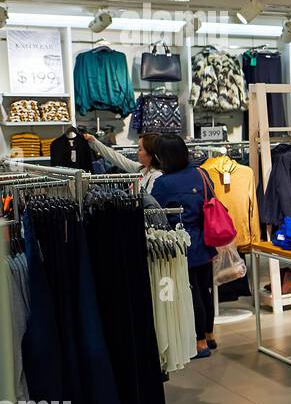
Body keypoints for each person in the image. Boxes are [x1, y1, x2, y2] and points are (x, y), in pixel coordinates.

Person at [151, 133, 218, 359]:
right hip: (205, 239)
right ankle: (209, 334)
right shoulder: (201, 173)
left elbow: (154, 214)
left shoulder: (162, 183)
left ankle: (199, 343)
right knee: (205, 290)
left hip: (180, 244)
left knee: (191, 293)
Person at [82, 130, 162, 191]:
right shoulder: (142, 169)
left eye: (140, 149)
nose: (137, 152)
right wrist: (93, 142)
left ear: (150, 153)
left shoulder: (156, 176)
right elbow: (116, 158)